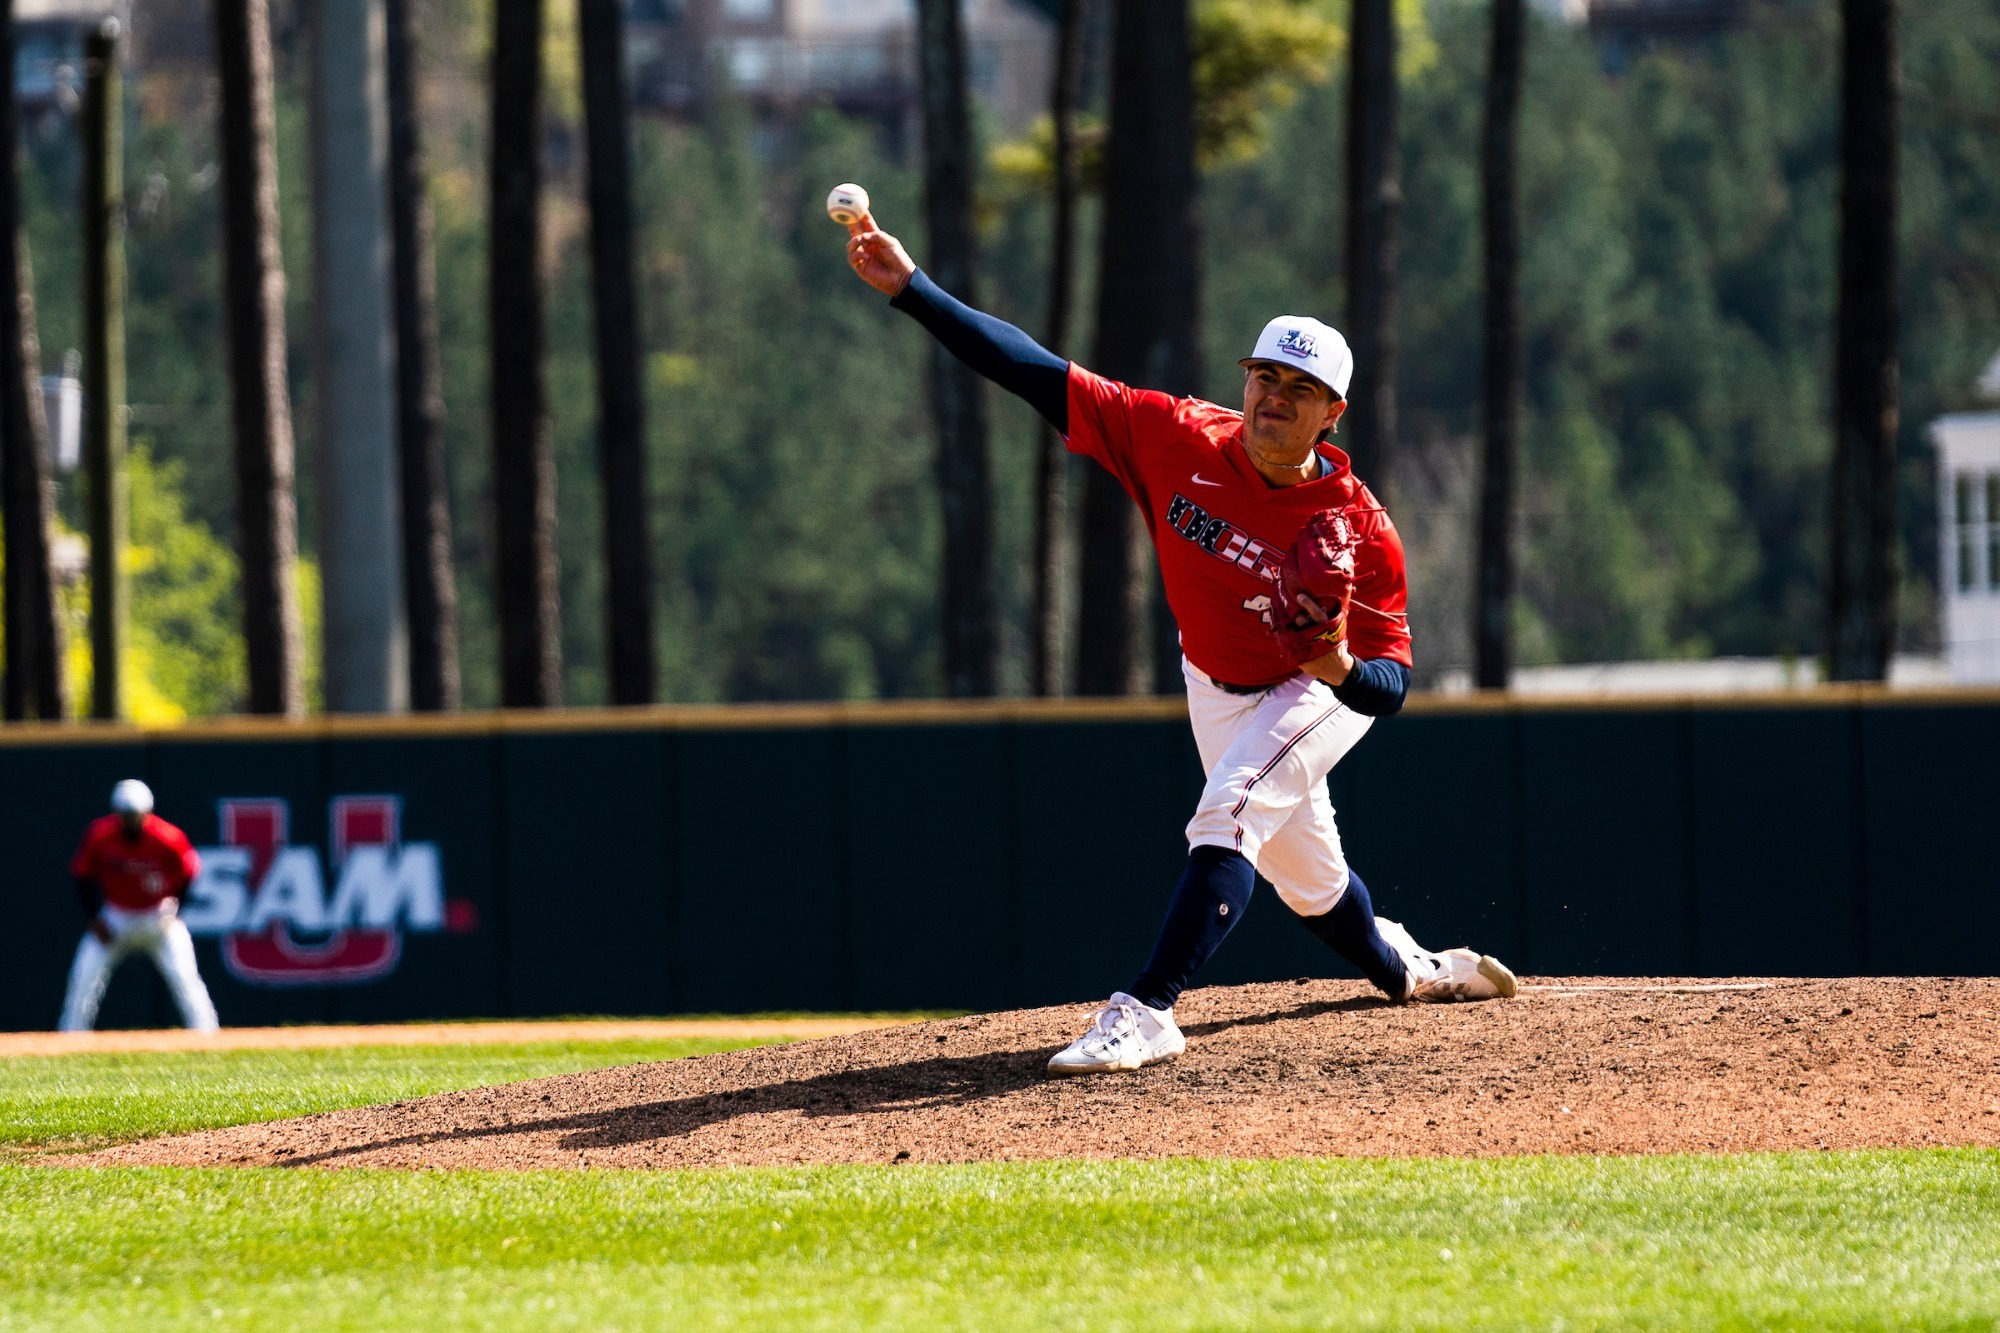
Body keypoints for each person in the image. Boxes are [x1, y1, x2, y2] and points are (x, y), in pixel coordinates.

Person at [844, 221, 1518, 1076]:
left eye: (1299, 387)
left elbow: (1391, 684)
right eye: (1264, 375)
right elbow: (1034, 372)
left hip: (1315, 690)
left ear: (1332, 413)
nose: (1274, 395)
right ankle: (1408, 967)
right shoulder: (1174, 437)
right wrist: (914, 291)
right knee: (1304, 879)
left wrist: (1337, 664)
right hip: (1215, 676)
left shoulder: (1360, 529)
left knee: (1228, 811)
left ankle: (1149, 1007)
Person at [59, 779, 219, 1033]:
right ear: (117, 813)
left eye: (135, 815)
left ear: (147, 812)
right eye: (126, 815)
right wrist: (94, 918)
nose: (130, 821)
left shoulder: (167, 837)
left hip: (158, 913)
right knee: (84, 977)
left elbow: (190, 872)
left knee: (184, 976)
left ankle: (208, 1036)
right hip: (117, 914)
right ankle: (70, 1039)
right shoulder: (101, 835)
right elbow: (82, 875)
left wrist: (176, 907)